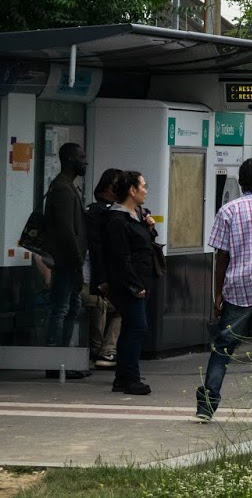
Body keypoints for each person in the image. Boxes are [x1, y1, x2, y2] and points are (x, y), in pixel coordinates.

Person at [195, 159, 252, 426]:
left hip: (238, 287)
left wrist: (218, 294)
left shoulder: (229, 210)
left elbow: (221, 256)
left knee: (224, 346)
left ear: (241, 182)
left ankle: (207, 405)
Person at [102, 170, 158, 396]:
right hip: (129, 284)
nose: (146, 191)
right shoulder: (117, 219)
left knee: (130, 328)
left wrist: (149, 228)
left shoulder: (138, 215)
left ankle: (123, 378)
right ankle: (130, 377)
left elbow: (144, 245)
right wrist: (135, 285)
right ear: (132, 190)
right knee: (137, 328)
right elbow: (120, 257)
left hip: (141, 280)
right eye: (143, 186)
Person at [41, 142, 90, 378]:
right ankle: (56, 363)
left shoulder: (68, 187)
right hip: (66, 261)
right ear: (70, 159)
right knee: (61, 309)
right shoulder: (62, 189)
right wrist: (78, 262)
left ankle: (63, 361)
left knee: (71, 306)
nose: (85, 161)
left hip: (69, 260)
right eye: (81, 157)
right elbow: (66, 230)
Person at [83, 167, 123, 371]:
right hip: (93, 277)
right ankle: (104, 350)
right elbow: (99, 250)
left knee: (108, 308)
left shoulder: (92, 211)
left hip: (91, 276)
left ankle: (101, 351)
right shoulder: (108, 214)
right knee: (109, 307)